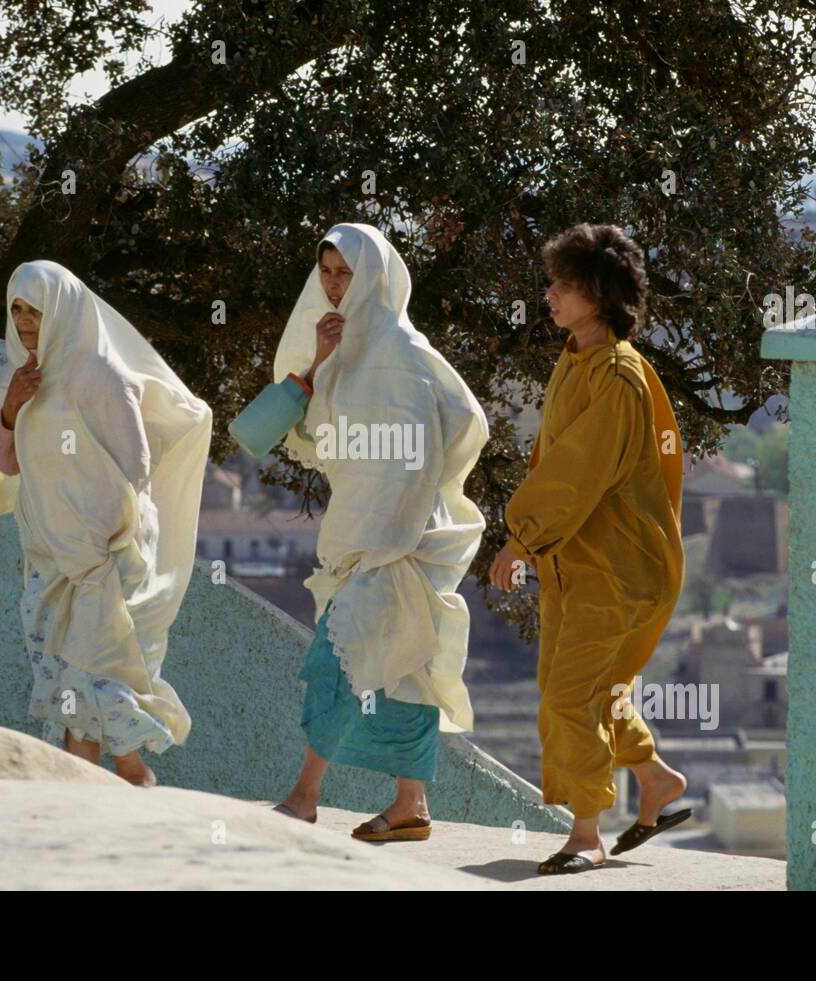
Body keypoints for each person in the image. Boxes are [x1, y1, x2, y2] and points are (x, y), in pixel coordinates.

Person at [0, 260, 212, 787]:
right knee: (69, 685)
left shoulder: (104, 376)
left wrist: (97, 533)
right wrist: (9, 409)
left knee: (102, 677)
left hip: (105, 559)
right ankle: (104, 789)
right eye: (17, 309)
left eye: (37, 309)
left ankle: (128, 778)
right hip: (49, 561)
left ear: (65, 310)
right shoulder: (20, 376)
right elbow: (6, 467)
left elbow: (135, 469)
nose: (26, 321)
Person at [270, 223, 489, 840]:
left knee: (337, 656)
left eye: (348, 273)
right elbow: (313, 440)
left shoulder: (407, 354)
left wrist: (403, 523)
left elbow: (453, 430)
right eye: (328, 273)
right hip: (359, 531)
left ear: (375, 276)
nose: (337, 286)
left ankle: (304, 795)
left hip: (403, 539)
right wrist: (319, 363)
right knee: (406, 665)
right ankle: (410, 807)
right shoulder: (344, 346)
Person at [488, 223, 689, 873]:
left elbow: (576, 471)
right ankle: (656, 780)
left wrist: (520, 540)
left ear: (598, 293)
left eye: (563, 284)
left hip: (619, 570)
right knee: (580, 688)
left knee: (570, 695)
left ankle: (587, 834)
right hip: (579, 566)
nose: (549, 294)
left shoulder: (618, 376)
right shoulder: (577, 359)